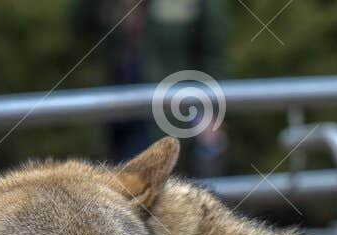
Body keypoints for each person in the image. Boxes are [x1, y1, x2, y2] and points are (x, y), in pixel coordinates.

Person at [72, 0, 229, 174]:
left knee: (159, 183)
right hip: (113, 111)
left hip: (167, 113)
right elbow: (78, 25)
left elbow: (211, 54)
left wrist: (210, 111)